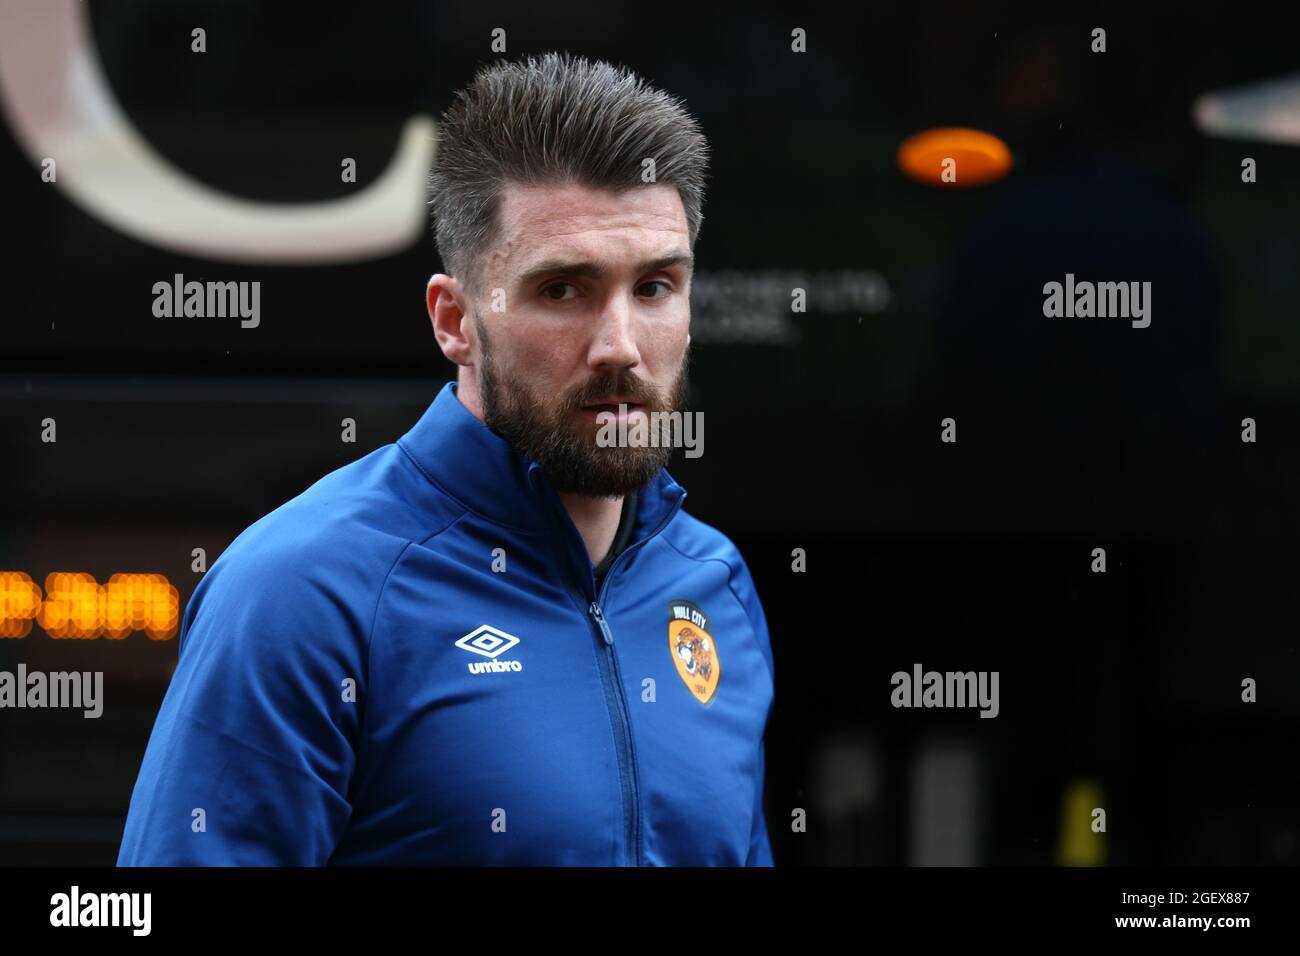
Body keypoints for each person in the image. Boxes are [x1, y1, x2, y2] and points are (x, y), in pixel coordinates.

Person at [117, 51, 775, 866]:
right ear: (454, 319)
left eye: (654, 287)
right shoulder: (299, 591)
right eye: (562, 289)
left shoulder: (715, 584)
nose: (621, 347)